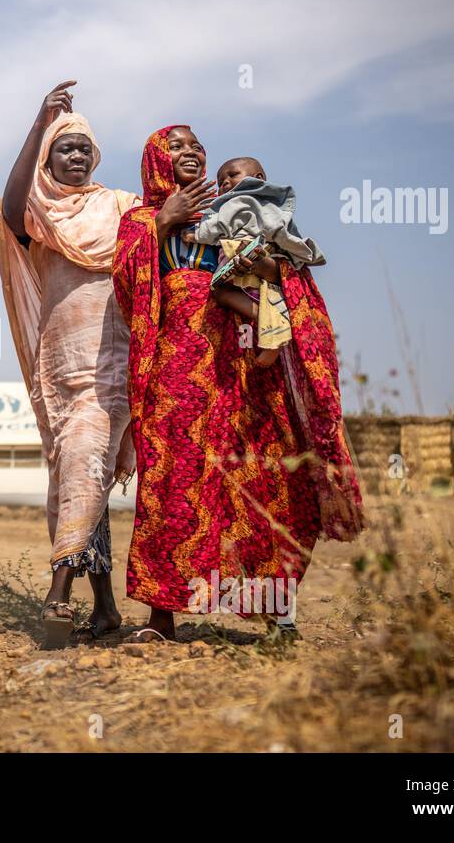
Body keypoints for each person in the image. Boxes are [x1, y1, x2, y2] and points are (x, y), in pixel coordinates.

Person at [111, 125, 364, 643]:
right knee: (173, 481)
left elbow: (287, 276)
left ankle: (275, 612)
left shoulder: (235, 212)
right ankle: (162, 619)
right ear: (156, 159)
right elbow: (125, 285)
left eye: (196, 146)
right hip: (175, 367)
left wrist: (261, 269)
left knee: (261, 480)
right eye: (176, 145)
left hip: (247, 366)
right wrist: (163, 222)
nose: (190, 152)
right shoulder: (140, 221)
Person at [0, 81, 138, 648]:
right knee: (82, 469)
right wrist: (39, 122)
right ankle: (104, 609)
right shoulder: (38, 211)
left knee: (85, 456)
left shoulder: (123, 207)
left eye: (84, 148)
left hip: (116, 360)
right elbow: (10, 207)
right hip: (62, 364)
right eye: (65, 148)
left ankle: (57, 599)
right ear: (48, 159)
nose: (76, 156)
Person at [190, 156, 325, 367]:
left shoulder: (233, 204)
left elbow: (212, 229)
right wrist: (294, 251)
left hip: (242, 256)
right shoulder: (272, 205)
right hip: (259, 257)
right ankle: (270, 329)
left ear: (258, 177)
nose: (224, 182)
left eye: (232, 175)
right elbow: (285, 231)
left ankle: (267, 326)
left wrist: (194, 235)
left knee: (223, 293)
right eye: (220, 181)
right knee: (270, 296)